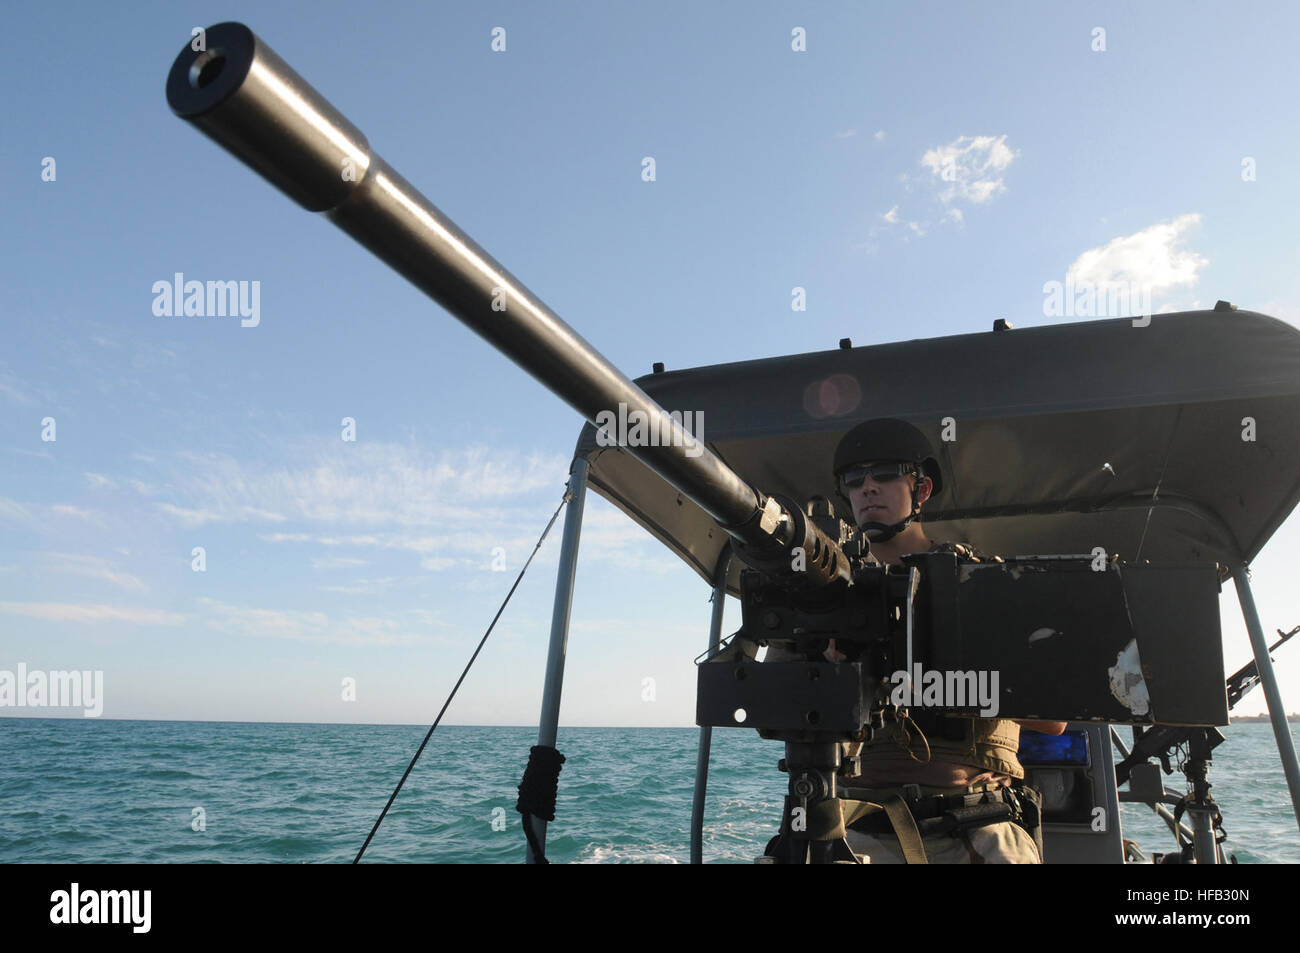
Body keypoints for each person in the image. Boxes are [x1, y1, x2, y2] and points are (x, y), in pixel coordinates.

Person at [828, 418, 1067, 864]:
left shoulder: (981, 584)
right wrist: (827, 676)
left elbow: (1053, 718)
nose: (868, 489)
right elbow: (773, 704)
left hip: (976, 830)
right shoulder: (829, 596)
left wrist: (935, 680)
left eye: (884, 474)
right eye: (854, 480)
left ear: (921, 491)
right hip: (857, 833)